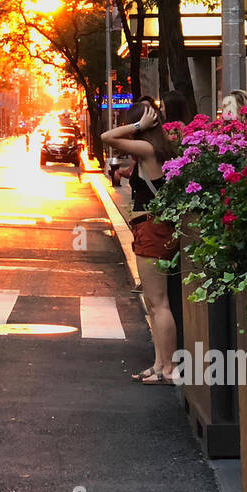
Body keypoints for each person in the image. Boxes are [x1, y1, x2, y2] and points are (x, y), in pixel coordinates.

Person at [101, 98, 179, 385]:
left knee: (159, 302)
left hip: (152, 228)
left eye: (134, 122)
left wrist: (137, 125)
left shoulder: (147, 148)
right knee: (153, 301)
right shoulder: (159, 149)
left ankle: (168, 368)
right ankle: (160, 364)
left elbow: (107, 137)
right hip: (153, 227)